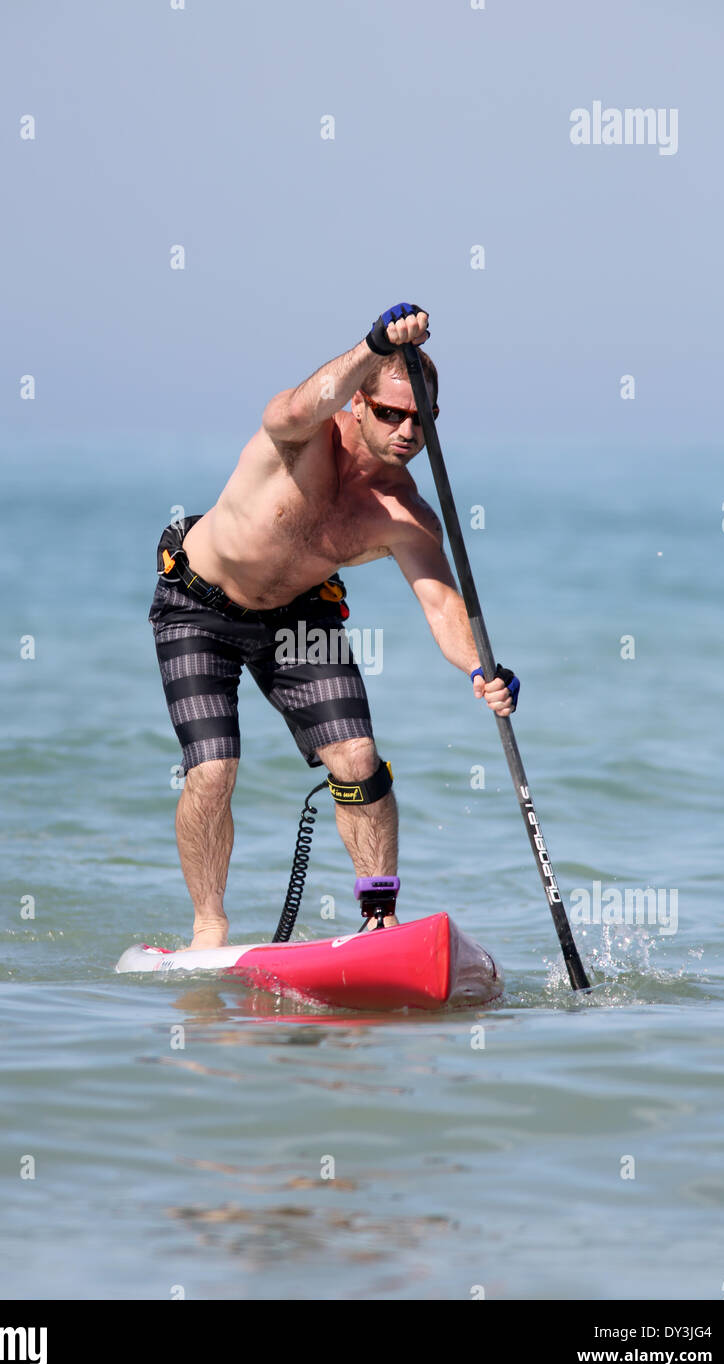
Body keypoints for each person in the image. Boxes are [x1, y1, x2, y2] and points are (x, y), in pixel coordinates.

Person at [148, 303, 519, 948]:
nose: (407, 429)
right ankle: (209, 928)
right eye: (390, 412)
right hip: (198, 604)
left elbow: (441, 606)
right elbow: (298, 402)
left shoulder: (406, 515)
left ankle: (379, 920)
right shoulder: (299, 436)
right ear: (356, 404)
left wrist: (484, 670)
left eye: (420, 418)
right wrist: (372, 345)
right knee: (213, 768)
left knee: (357, 758)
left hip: (300, 610)